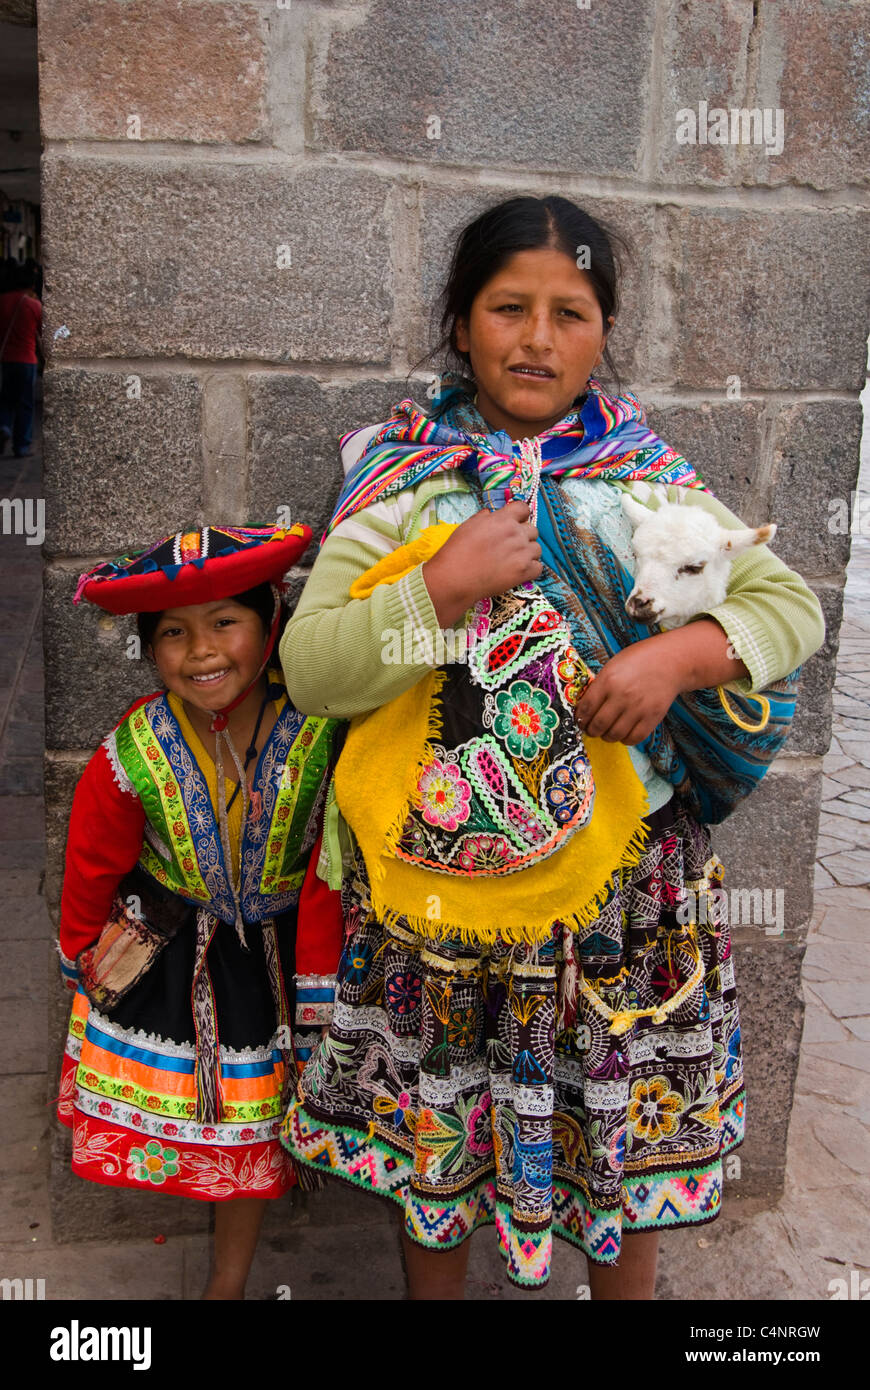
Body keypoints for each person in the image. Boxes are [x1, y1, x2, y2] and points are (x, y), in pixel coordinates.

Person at [278, 196, 826, 1299]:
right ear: (461, 321)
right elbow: (314, 670)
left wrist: (681, 661)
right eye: (508, 308)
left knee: (615, 1143)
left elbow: (790, 608)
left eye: (569, 313)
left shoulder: (648, 483)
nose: (537, 338)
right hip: (441, 897)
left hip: (619, 901)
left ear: (604, 332)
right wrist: (441, 584)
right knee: (441, 1141)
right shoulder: (400, 481)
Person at [56, 523, 344, 1300]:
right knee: (231, 1123)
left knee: (276, 1112)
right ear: (151, 650)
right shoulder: (138, 744)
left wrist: (324, 977)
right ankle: (227, 1283)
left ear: (270, 623)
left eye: (226, 622)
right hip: (181, 949)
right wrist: (83, 953)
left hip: (294, 949)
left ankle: (231, 1275)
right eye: (174, 633)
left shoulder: (320, 729)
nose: (203, 651)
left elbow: (334, 863)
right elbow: (94, 855)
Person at [0, 261, 43, 457]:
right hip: (26, 359)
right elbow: (43, 331)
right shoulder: (33, 304)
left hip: (4, 358)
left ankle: (3, 425)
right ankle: (22, 445)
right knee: (25, 403)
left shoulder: (2, 300)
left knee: (5, 399)